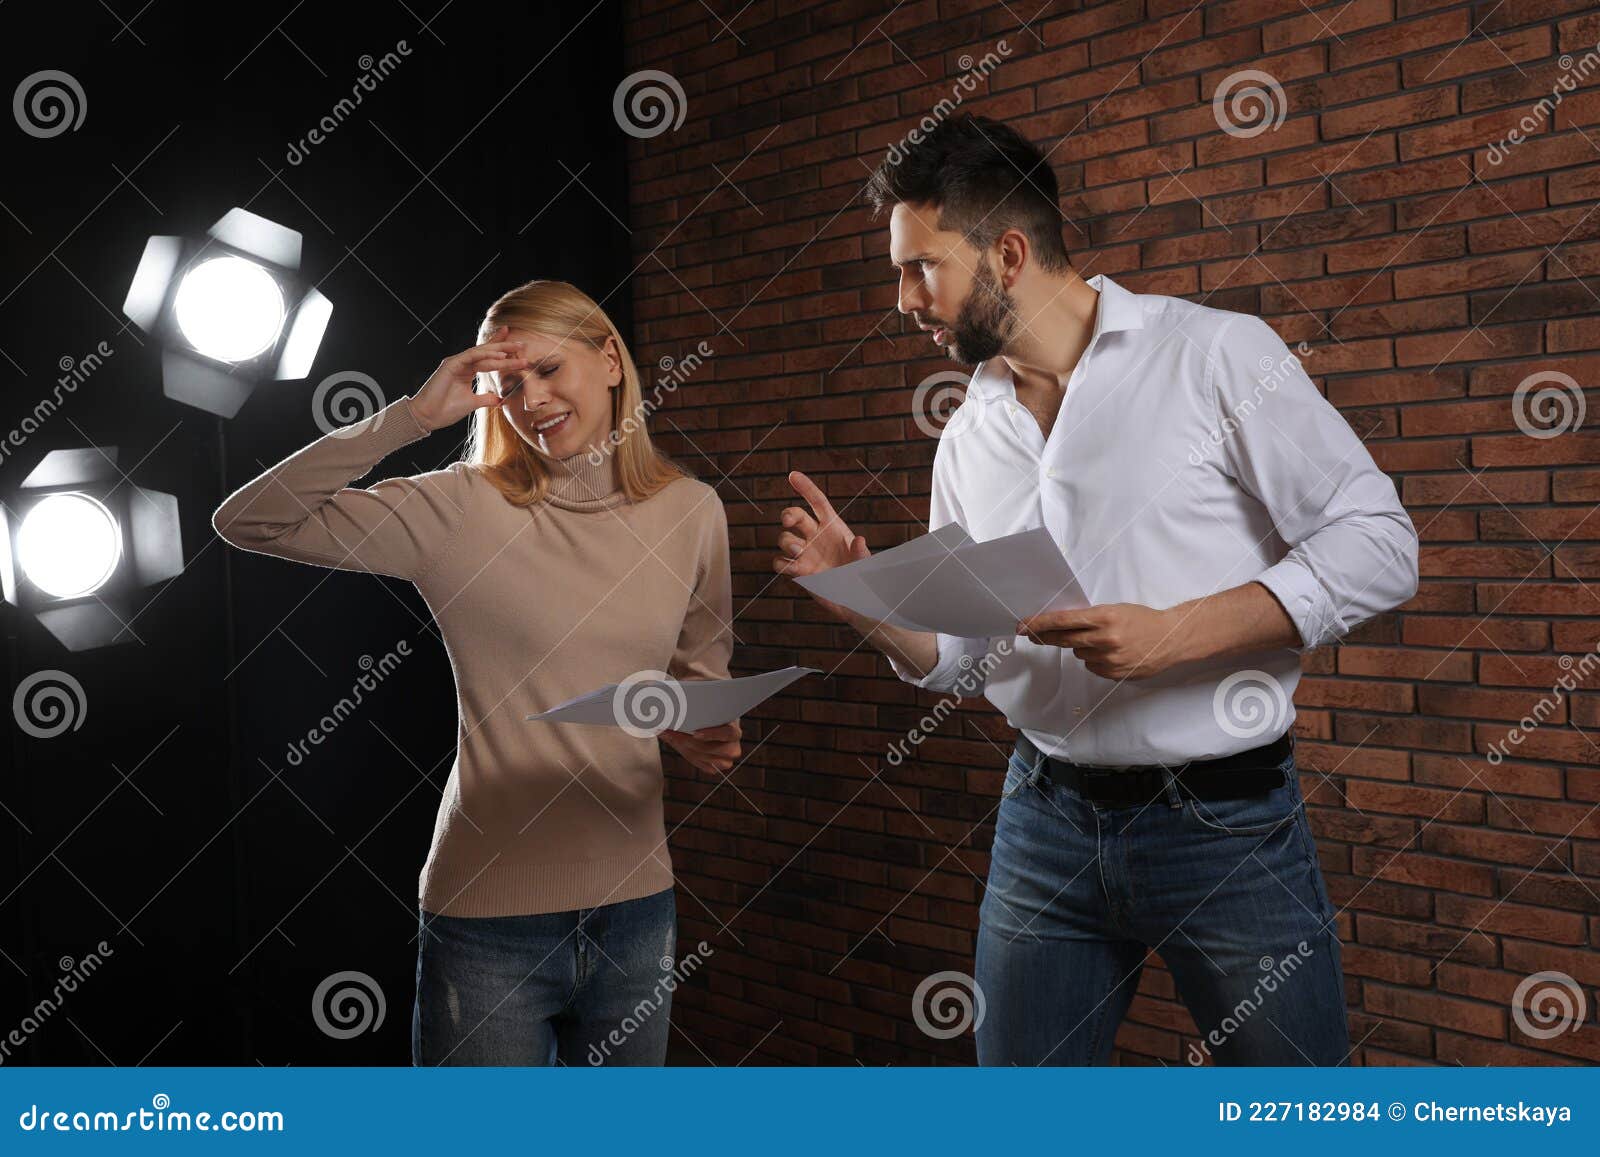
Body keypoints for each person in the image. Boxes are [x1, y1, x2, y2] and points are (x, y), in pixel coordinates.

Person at [773, 113, 1419, 1065]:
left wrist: (1178, 635)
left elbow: (1381, 543)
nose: (904, 299)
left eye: (921, 267)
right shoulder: (968, 433)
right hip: (1044, 819)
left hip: (1226, 824)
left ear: (1009, 251)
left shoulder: (1215, 357)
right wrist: (866, 603)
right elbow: (965, 658)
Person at [213, 278, 741, 1065]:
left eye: (549, 371)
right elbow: (252, 518)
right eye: (509, 383)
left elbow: (702, 686)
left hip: (637, 910)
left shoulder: (693, 511)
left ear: (609, 362)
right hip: (488, 921)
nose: (531, 400)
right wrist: (414, 418)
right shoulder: (460, 508)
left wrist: (711, 732)